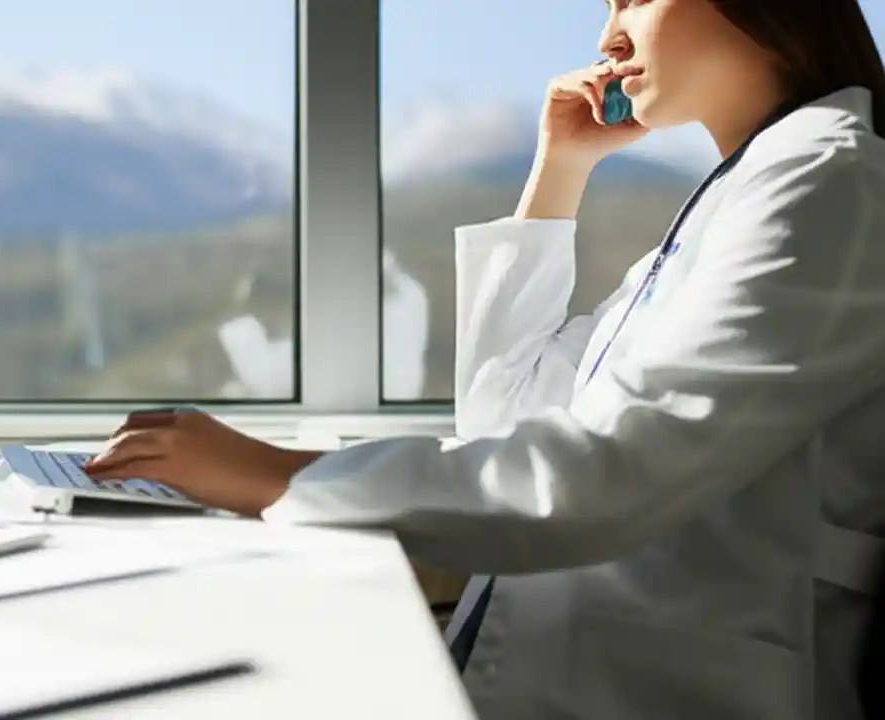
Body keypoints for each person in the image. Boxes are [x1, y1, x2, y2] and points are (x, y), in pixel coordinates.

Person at [84, 0, 885, 717]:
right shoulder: (738, 196)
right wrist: (561, 168)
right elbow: (510, 415)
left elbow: (609, 477)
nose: (609, 36)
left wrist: (276, 475)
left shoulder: (828, 180)